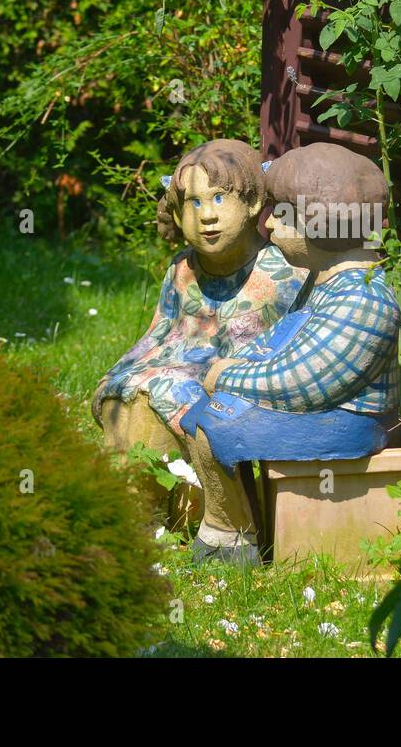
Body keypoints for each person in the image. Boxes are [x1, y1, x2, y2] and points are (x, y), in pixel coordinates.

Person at [92, 139, 304, 549]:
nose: (207, 215)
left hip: (241, 390)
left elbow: (284, 350)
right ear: (176, 210)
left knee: (161, 395)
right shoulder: (182, 270)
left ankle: (222, 524)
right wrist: (119, 377)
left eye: (220, 198)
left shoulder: (280, 271)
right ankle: (135, 519)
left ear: (253, 202)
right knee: (128, 396)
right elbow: (156, 336)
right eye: (193, 202)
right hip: (179, 382)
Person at [183, 143, 401, 478]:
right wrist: (241, 363)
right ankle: (243, 520)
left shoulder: (364, 298)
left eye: (280, 214)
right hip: (324, 406)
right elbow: (280, 343)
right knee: (206, 414)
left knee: (214, 428)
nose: (268, 223)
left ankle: (231, 528)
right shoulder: (324, 281)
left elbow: (305, 382)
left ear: (321, 218)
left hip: (352, 420)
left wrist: (227, 376)